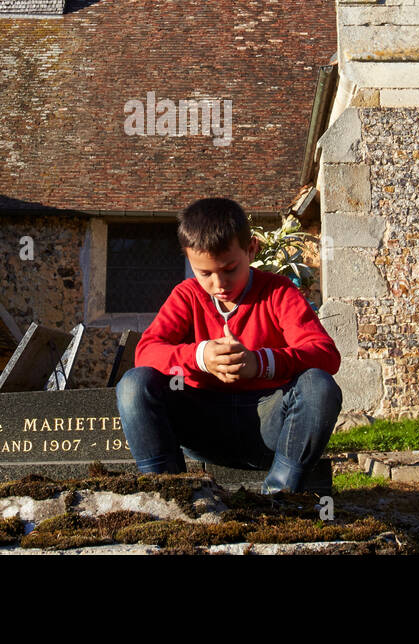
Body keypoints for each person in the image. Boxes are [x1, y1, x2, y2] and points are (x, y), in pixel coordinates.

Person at [115, 197, 342, 494]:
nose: (219, 284)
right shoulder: (186, 295)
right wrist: (201, 356)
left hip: (271, 426)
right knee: (134, 383)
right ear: (188, 258)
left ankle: (280, 498)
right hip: (203, 427)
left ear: (251, 250)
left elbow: (325, 355)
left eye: (230, 268)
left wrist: (261, 363)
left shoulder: (278, 292)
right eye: (205, 273)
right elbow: (145, 352)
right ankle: (168, 493)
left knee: (319, 386)